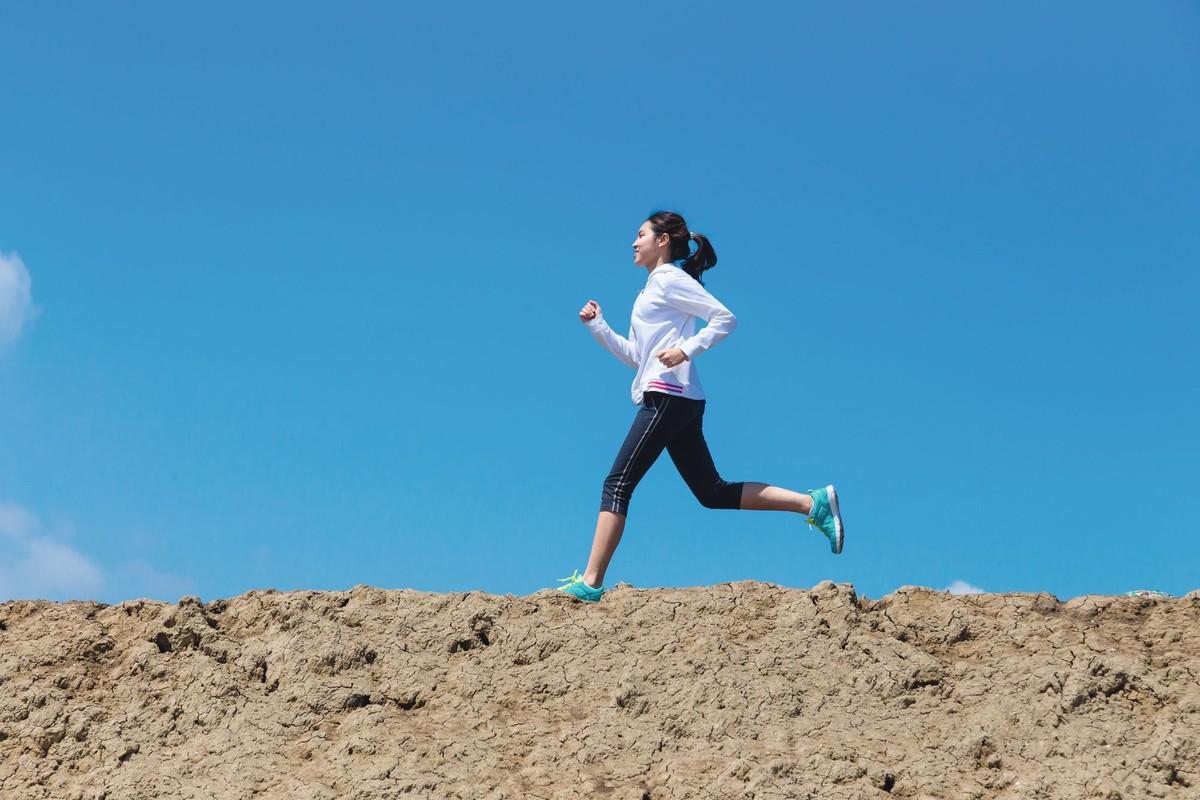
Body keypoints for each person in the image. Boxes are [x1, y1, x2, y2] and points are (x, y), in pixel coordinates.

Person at [555, 210, 845, 603]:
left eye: (640, 234)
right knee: (711, 491)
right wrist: (599, 326)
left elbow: (725, 319)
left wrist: (686, 349)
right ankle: (812, 504)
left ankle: (590, 583)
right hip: (677, 399)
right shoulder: (651, 289)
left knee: (617, 483)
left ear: (662, 241)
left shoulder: (671, 280)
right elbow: (637, 357)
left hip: (668, 397)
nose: (633, 242)